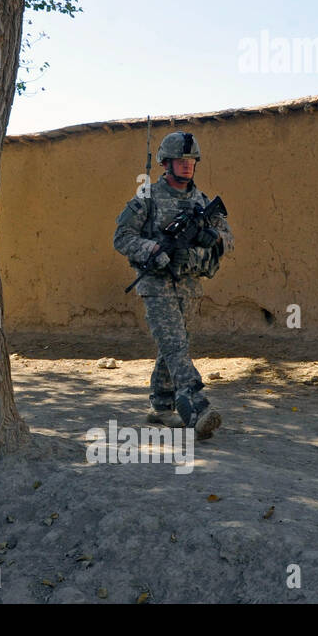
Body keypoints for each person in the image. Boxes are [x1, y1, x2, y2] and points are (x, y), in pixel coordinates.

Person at [114, 131, 233, 440]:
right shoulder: (147, 197)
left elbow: (229, 238)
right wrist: (151, 249)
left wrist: (215, 237)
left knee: (174, 346)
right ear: (166, 163)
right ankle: (197, 407)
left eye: (191, 161)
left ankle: (161, 405)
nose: (187, 165)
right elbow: (122, 237)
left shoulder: (203, 201)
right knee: (175, 346)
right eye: (181, 161)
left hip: (190, 284)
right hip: (156, 284)